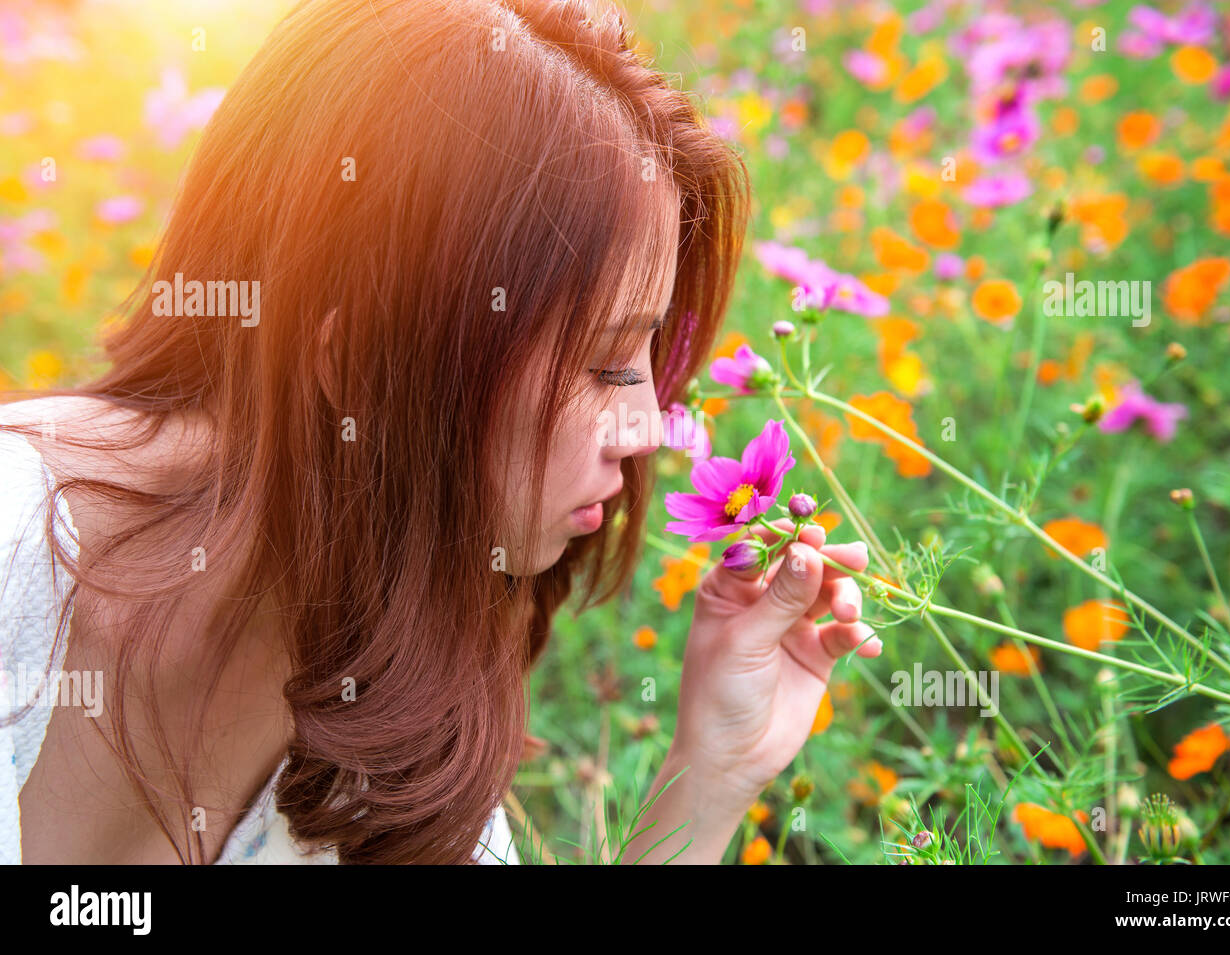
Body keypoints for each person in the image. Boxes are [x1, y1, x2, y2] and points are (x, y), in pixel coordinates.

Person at [0, 0, 878, 865]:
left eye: (651, 354)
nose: (650, 425)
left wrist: (712, 771)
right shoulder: (16, 549)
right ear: (359, 365)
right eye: (605, 362)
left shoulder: (394, 676)